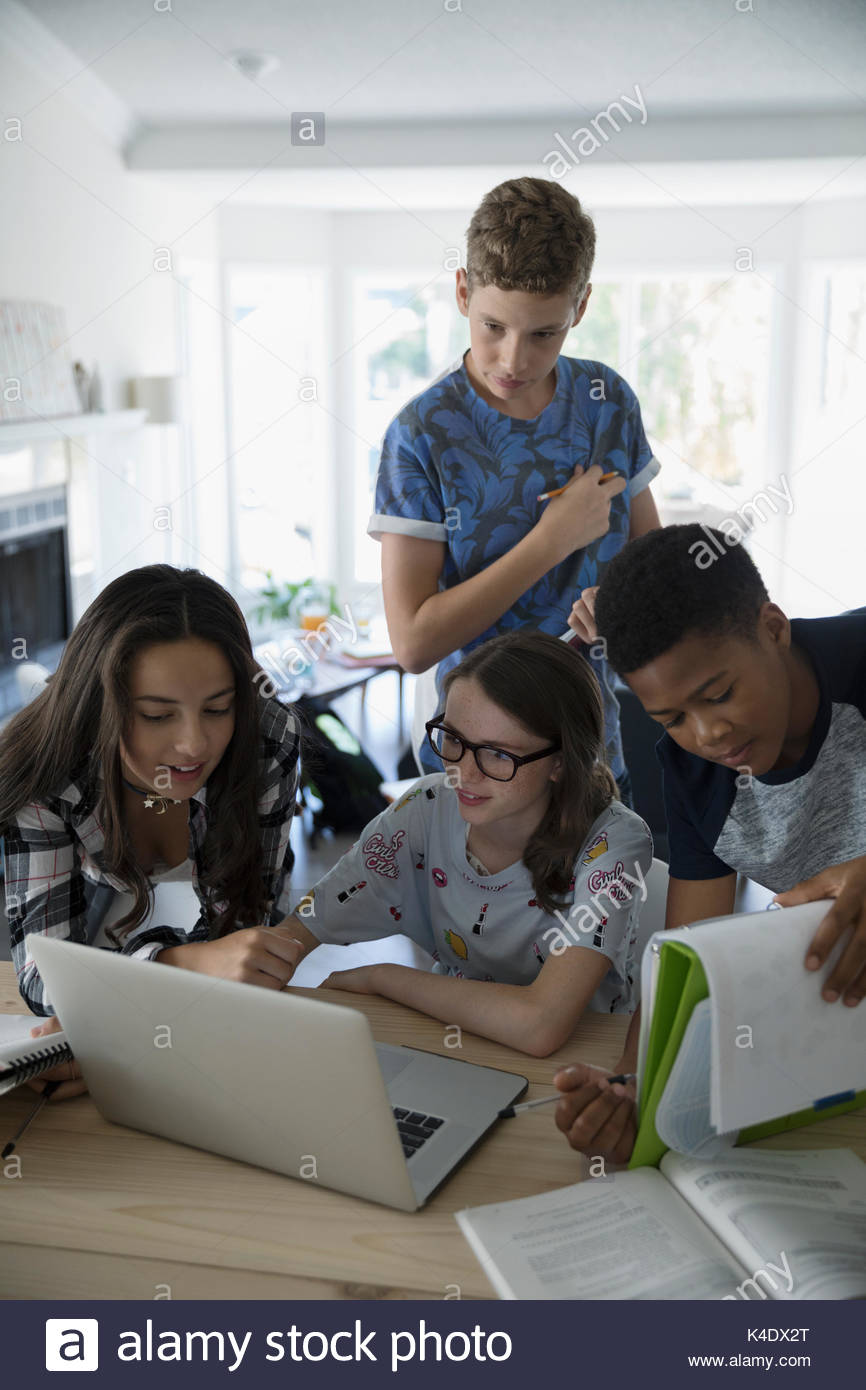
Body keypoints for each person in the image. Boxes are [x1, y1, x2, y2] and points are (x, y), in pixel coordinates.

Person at [553, 524, 866, 1161]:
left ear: (773, 627)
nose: (709, 733)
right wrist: (634, 1087)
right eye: (670, 717)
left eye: (718, 694)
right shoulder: (690, 771)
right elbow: (683, 957)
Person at [370, 176, 661, 802]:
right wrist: (551, 542)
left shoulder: (608, 404)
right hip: (472, 767)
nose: (512, 360)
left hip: (593, 760)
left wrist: (623, 607)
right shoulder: (421, 435)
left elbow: (655, 577)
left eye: (543, 335)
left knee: (604, 902)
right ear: (461, 291)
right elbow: (413, 643)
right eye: (493, 326)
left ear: (580, 308)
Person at [1, 565, 304, 1097]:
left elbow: (249, 934)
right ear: (102, 707)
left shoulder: (267, 739)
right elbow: (46, 974)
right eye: (156, 715)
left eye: (218, 708)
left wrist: (130, 1030)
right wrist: (179, 965)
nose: (193, 744)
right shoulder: (44, 772)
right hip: (69, 894)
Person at [283, 632, 653, 1057]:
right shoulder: (427, 806)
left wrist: (384, 978)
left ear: (560, 762)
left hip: (579, 1066)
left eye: (498, 754)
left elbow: (541, 1025)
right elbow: (301, 927)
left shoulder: (615, 843)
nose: (462, 773)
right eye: (454, 740)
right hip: (453, 1042)